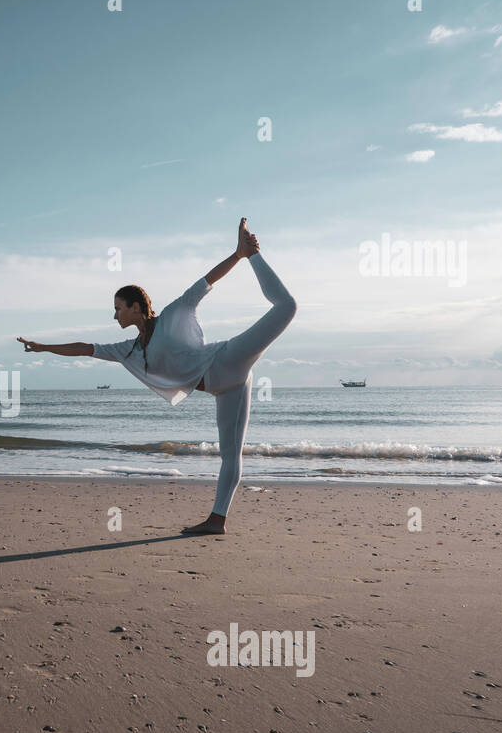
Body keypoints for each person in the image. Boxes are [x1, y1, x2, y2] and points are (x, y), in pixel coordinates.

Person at [16, 218, 296, 535]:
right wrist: (43, 347)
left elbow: (208, 280)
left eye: (118, 307)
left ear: (135, 307)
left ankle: (253, 253)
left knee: (286, 306)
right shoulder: (130, 350)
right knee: (229, 454)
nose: (114, 314)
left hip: (227, 359)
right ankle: (217, 521)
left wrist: (240, 254)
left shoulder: (174, 313)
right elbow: (85, 348)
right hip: (226, 388)